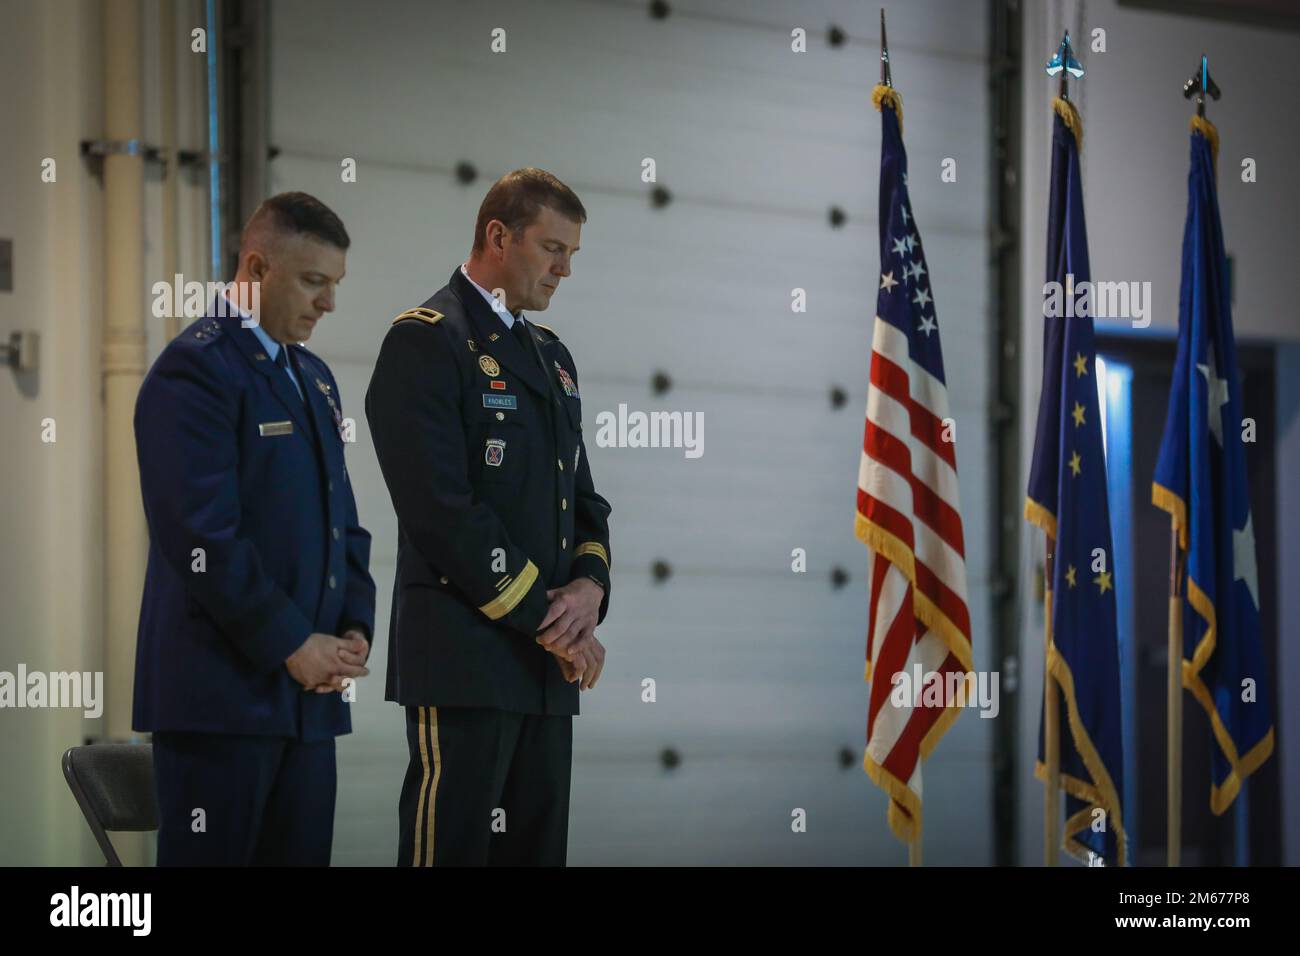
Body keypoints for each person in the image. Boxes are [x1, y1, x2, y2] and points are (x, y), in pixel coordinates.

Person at [366, 167, 613, 866]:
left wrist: (589, 592)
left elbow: (584, 504)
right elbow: (442, 514)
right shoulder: (427, 340)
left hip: (545, 675)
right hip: (466, 661)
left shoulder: (550, 356)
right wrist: (550, 617)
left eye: (572, 255)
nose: (565, 270)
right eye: (552, 249)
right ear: (497, 236)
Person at [132, 191, 376, 865]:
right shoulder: (197, 371)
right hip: (222, 702)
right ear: (257, 267)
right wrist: (293, 641)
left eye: (335, 285)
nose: (328, 303)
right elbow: (201, 537)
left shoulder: (313, 379)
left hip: (307, 701)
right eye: (313, 281)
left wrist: (354, 628)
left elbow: (342, 520)